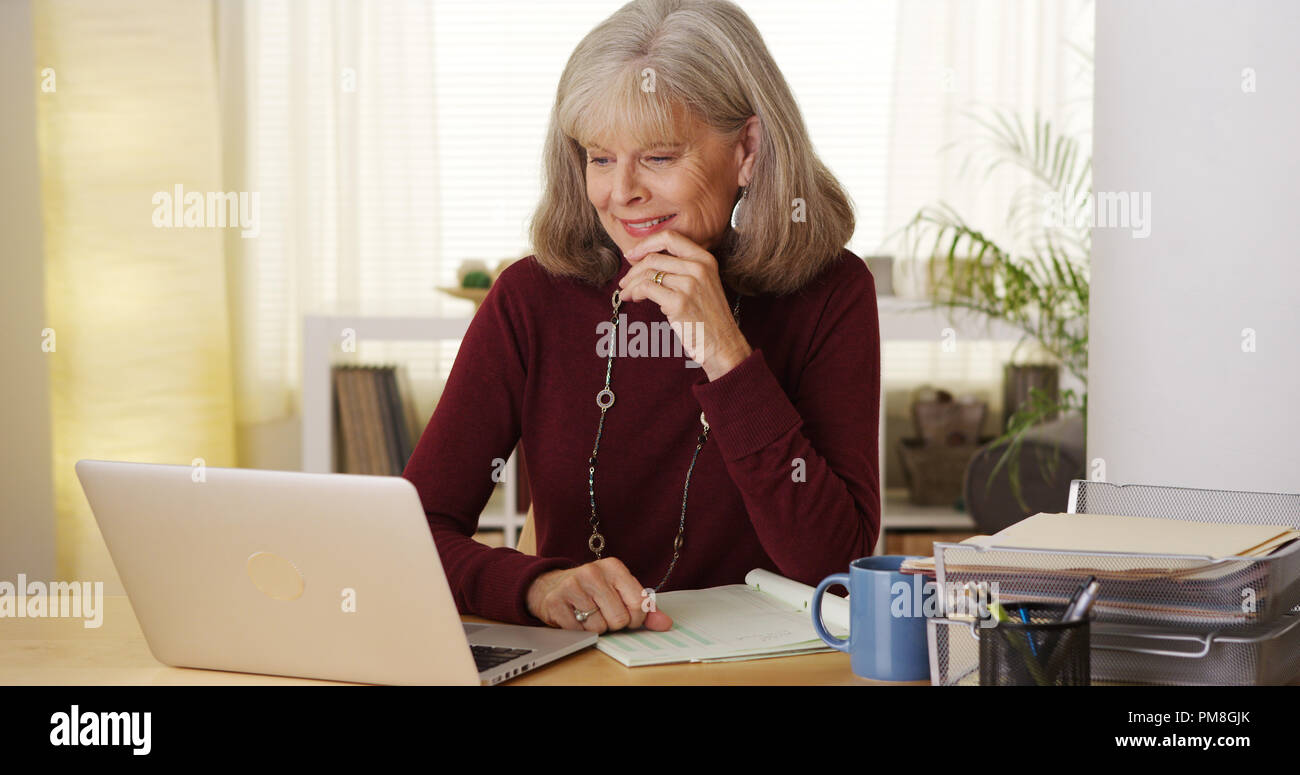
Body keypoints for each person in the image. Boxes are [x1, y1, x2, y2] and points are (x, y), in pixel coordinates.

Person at [403, 0, 880, 635]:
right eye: (600, 158)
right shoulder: (532, 296)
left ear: (748, 149)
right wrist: (535, 585)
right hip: (589, 665)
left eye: (657, 157)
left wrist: (724, 353)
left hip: (773, 670)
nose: (620, 192)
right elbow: (416, 532)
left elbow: (834, 565)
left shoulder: (831, 292)